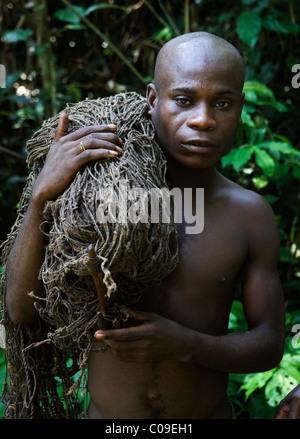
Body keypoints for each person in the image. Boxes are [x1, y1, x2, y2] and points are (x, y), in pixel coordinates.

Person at [5, 32, 285, 419]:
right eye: (184, 101)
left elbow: (269, 345)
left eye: (222, 103)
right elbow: (21, 311)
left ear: (239, 108)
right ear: (154, 100)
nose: (203, 120)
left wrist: (186, 344)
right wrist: (41, 196)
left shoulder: (249, 214)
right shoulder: (91, 202)